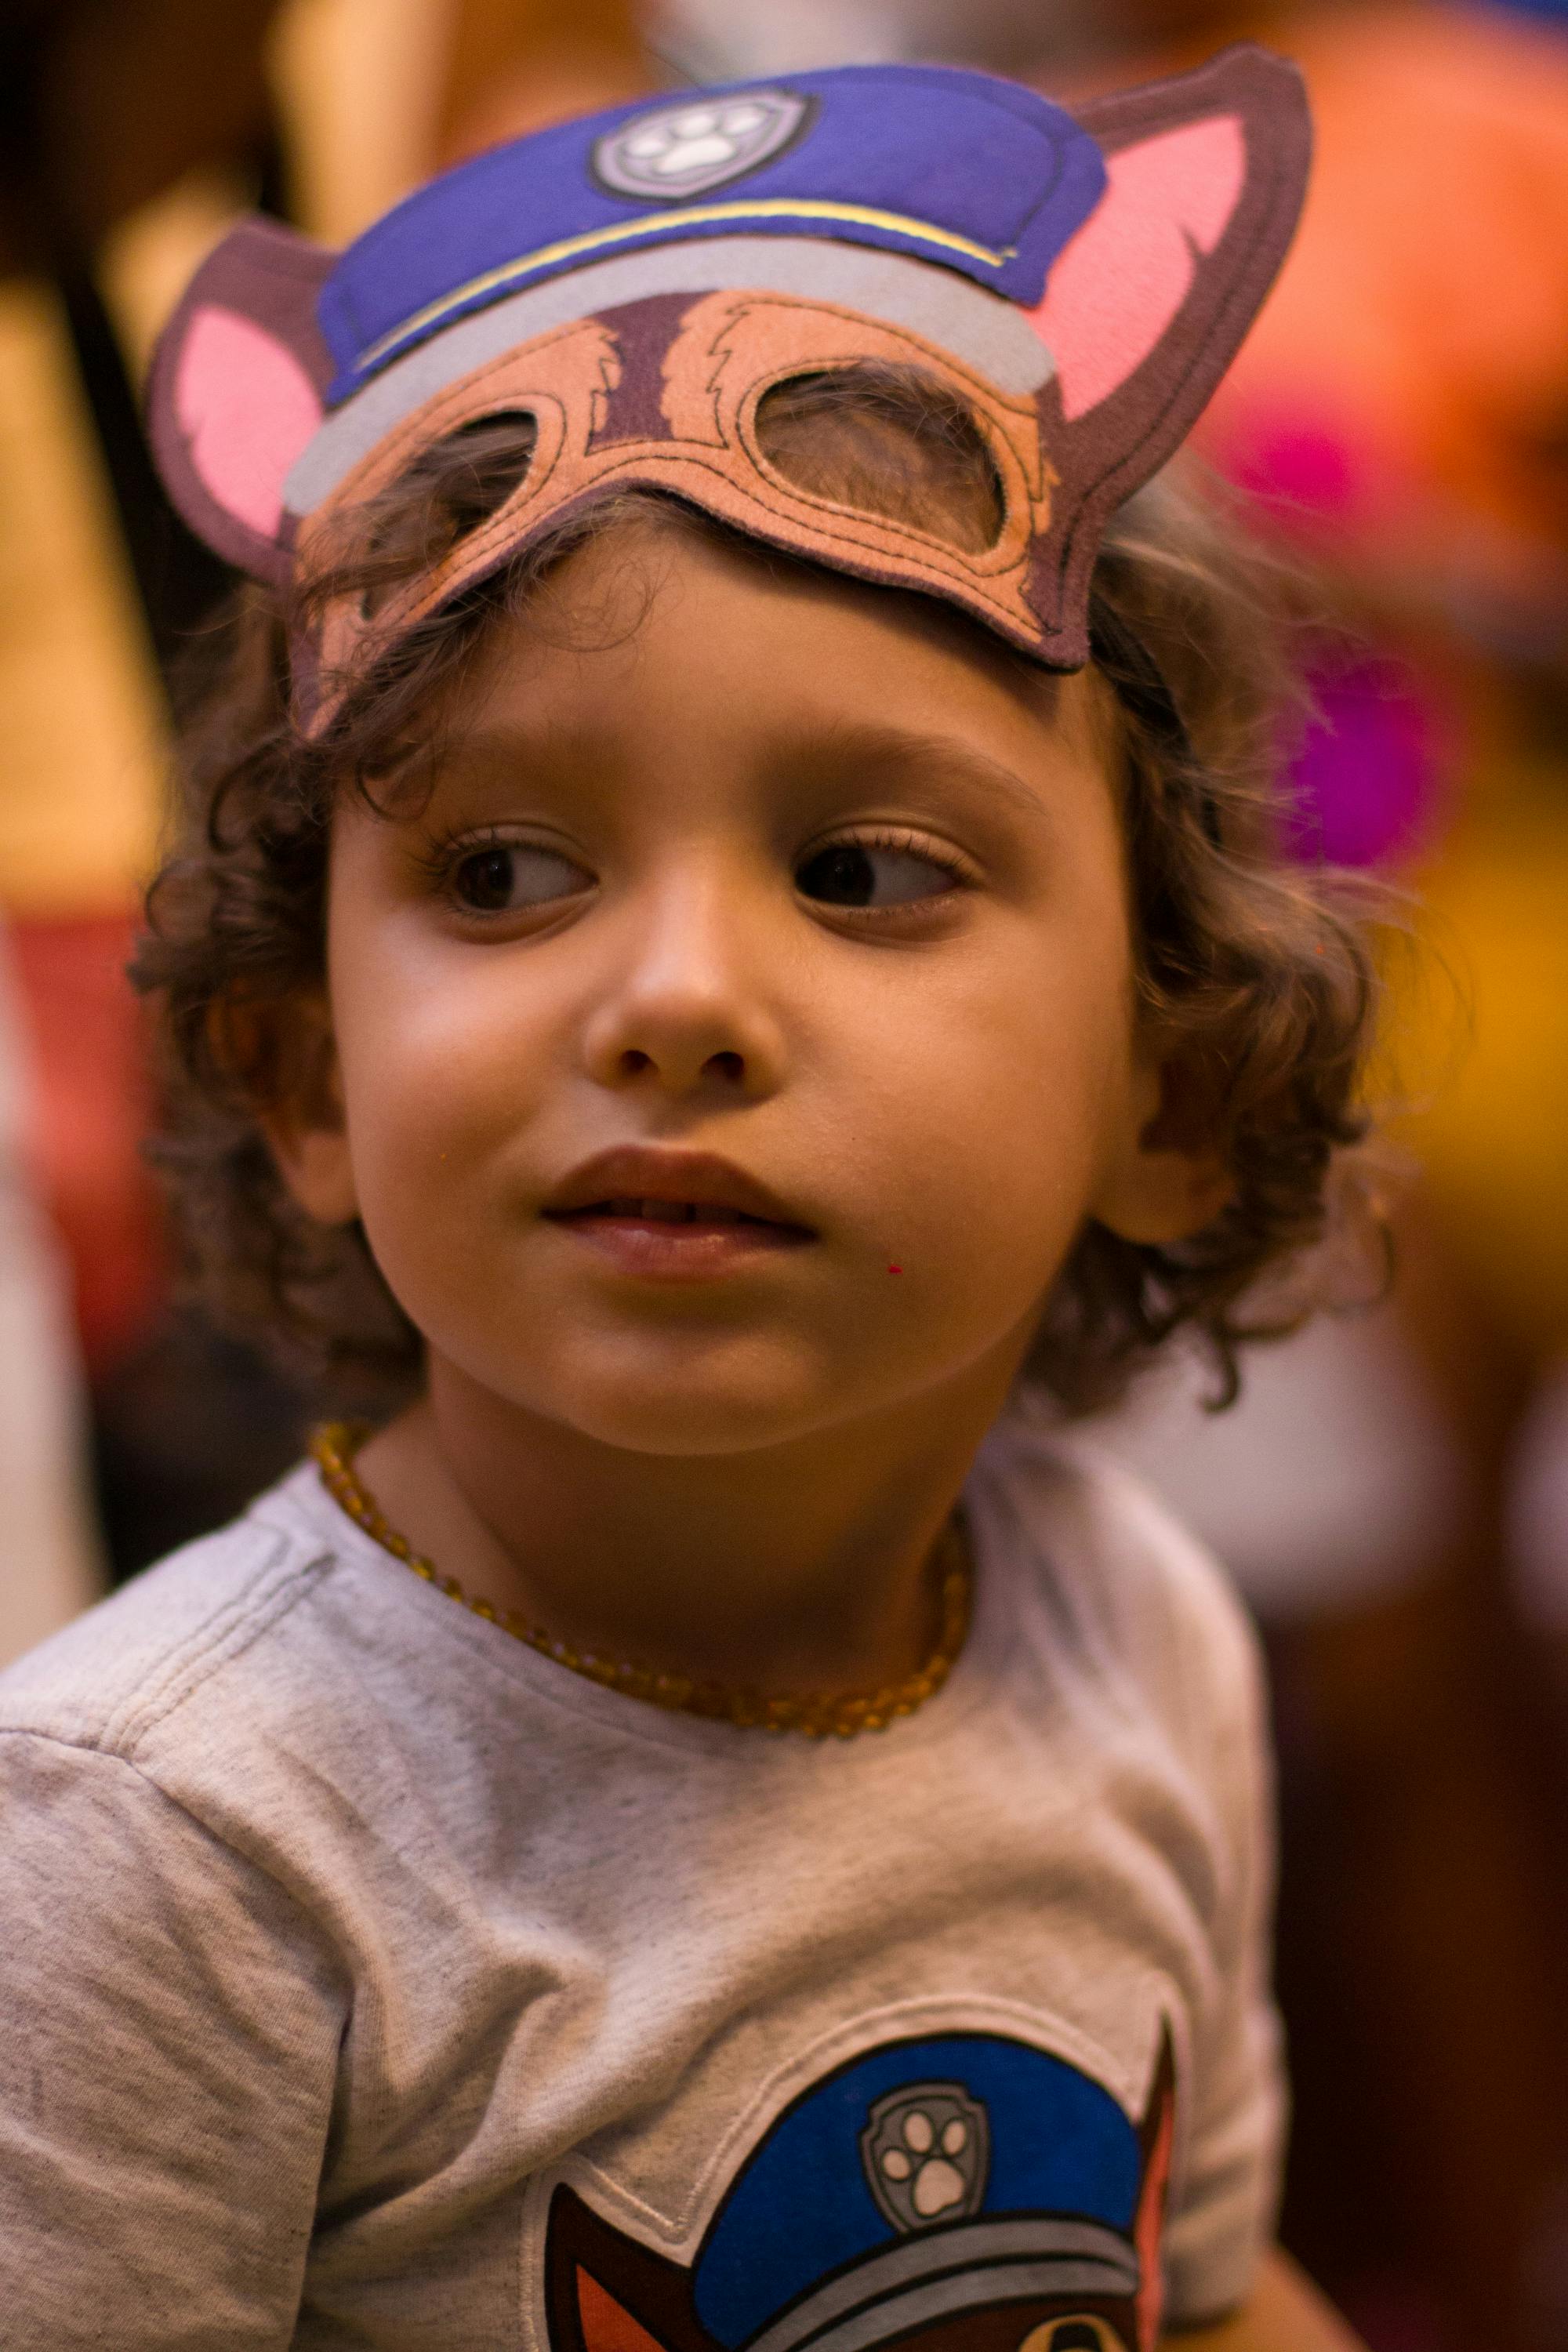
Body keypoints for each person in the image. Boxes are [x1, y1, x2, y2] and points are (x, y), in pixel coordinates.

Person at [0, 53, 1373, 2350]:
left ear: (1177, 1081)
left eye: (860, 869)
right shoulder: (173, 1851)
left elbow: (1207, 2297)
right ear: (303, 1071)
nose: (675, 1004)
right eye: (508, 873)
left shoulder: (1131, 1631)